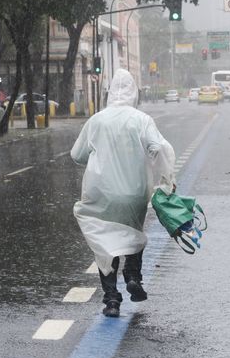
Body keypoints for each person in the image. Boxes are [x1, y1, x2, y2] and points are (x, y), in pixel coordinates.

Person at [71, 69, 175, 318]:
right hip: (134, 192)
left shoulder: (96, 120)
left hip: (100, 192)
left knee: (104, 245)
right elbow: (157, 147)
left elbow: (77, 155)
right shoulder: (141, 120)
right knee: (132, 232)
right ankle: (133, 276)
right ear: (134, 93)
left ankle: (111, 300)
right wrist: (166, 178)